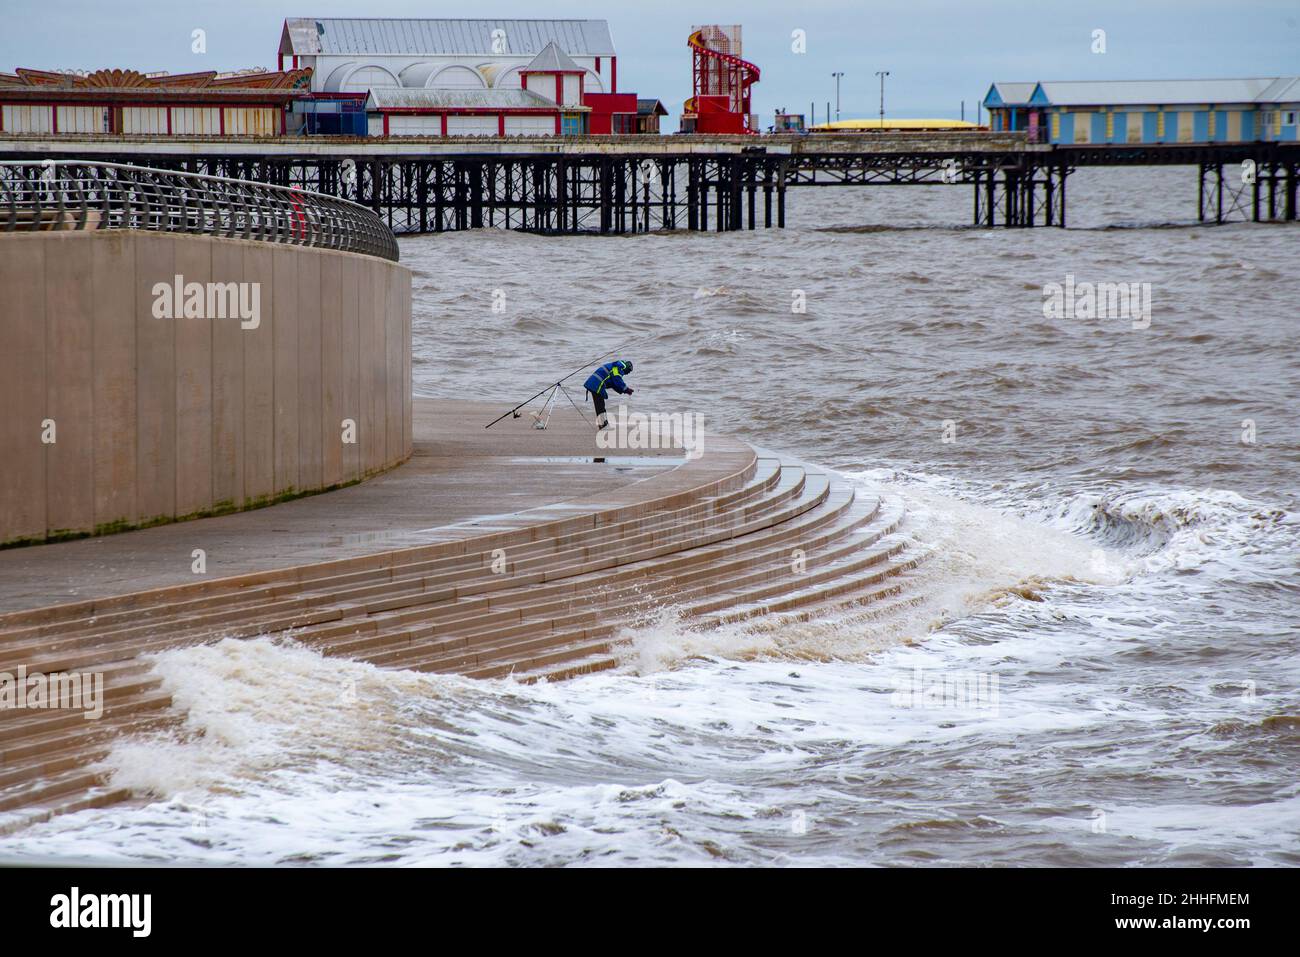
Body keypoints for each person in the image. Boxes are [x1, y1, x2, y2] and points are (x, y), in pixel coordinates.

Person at [584, 359, 634, 428]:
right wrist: (626, 389)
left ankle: (602, 424)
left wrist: (625, 391)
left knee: (599, 406)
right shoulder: (618, 367)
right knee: (600, 406)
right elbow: (617, 380)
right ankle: (603, 425)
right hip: (597, 384)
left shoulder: (615, 366)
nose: (627, 373)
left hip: (594, 383)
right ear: (627, 368)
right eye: (629, 371)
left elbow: (614, 384)